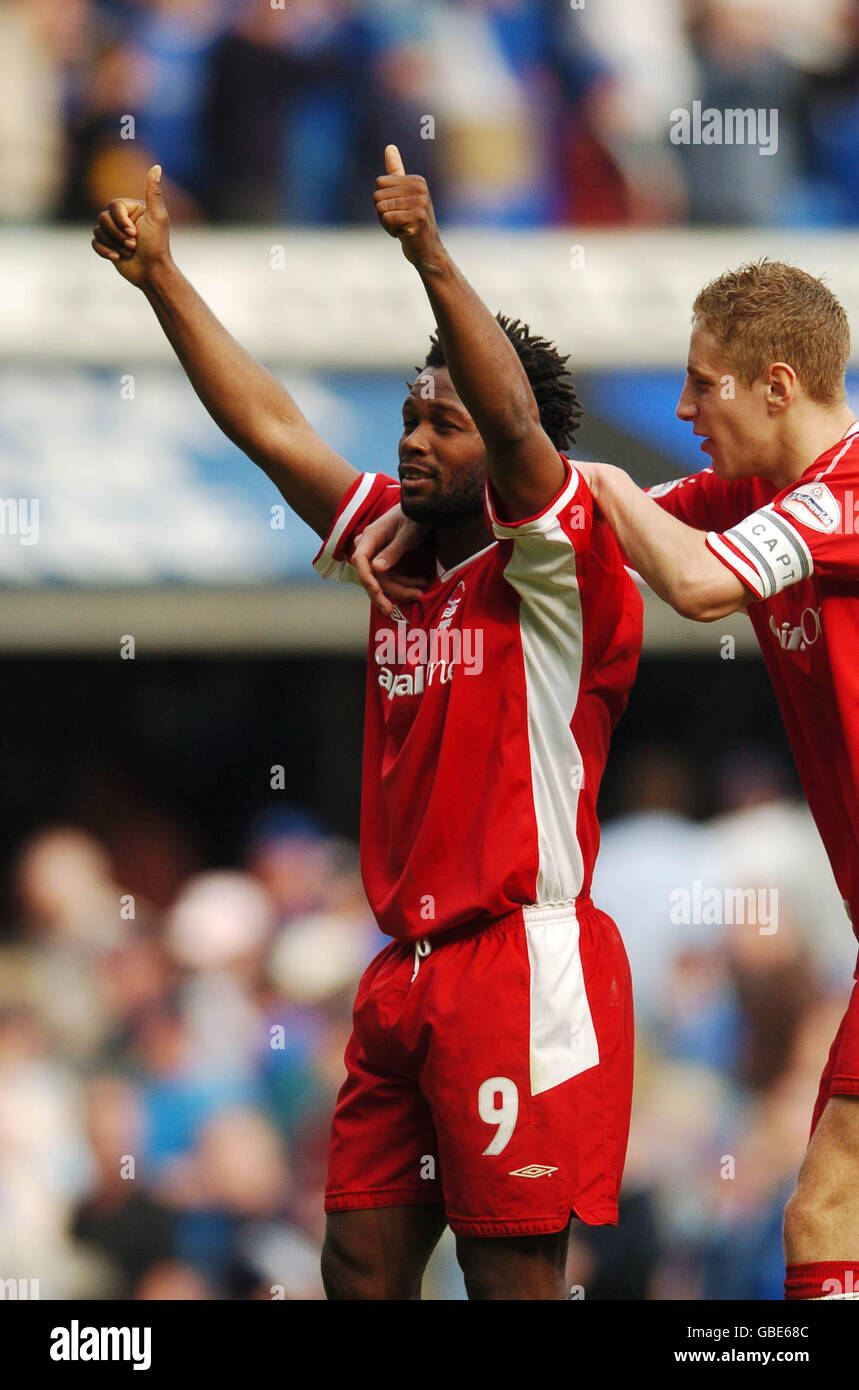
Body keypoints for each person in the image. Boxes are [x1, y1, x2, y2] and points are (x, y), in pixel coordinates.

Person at [90, 150, 642, 1300]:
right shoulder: (397, 545)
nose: (413, 439)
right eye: (406, 416)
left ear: (501, 438)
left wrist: (427, 252)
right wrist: (160, 280)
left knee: (511, 1279)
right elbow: (275, 430)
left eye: (443, 422)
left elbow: (517, 426)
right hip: (404, 971)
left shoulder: (554, 563)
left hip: (514, 965)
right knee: (355, 1262)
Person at [355, 258, 859, 1302]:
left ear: (775, 384)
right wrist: (446, 521)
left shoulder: (847, 492)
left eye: (700, 384)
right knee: (831, 1206)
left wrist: (613, 485)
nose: (680, 410)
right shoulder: (753, 493)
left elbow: (694, 580)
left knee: (825, 1206)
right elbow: (570, 523)